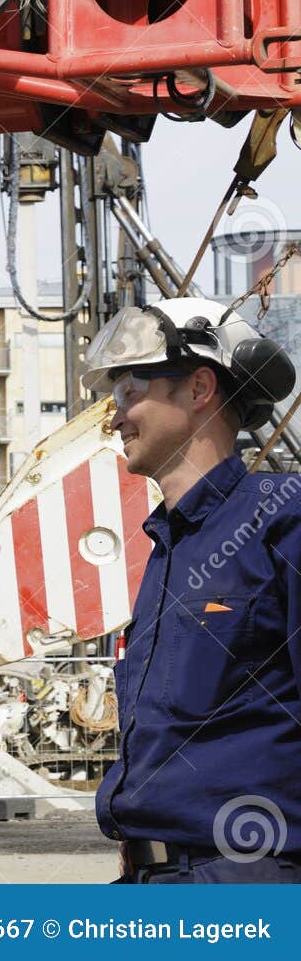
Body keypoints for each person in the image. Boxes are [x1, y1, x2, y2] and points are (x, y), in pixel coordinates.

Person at [82, 297, 301, 883]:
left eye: (131, 391)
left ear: (200, 387)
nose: (115, 415)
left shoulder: (282, 521)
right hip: (152, 877)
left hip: (244, 881)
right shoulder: (166, 548)